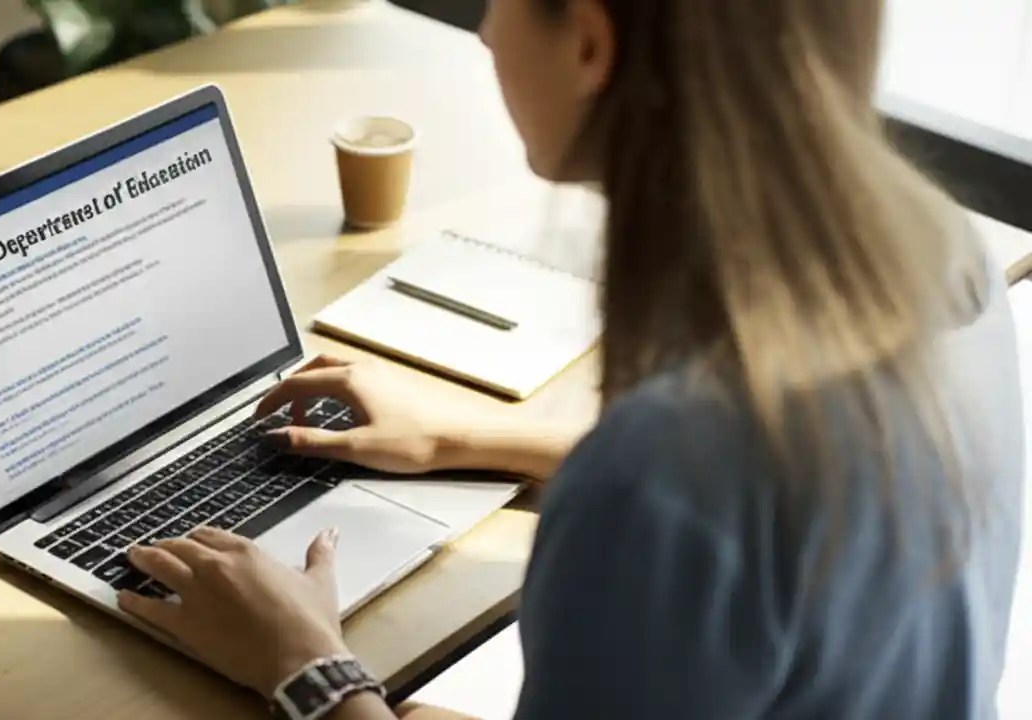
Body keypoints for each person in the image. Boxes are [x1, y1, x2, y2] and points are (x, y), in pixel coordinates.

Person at [116, 0, 1025, 717]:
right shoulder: (943, 257)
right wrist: (476, 434)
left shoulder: (661, 480)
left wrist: (310, 672)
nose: (483, 31)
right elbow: (776, 510)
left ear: (590, 43)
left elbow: (694, 496)